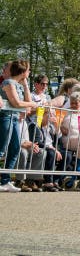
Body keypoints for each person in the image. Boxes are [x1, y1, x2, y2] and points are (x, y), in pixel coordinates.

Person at [0, 60, 37, 192]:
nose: (29, 72)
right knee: (1, 149)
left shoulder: (19, 85)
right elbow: (16, 103)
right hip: (5, 117)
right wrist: (32, 105)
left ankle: (5, 181)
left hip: (15, 118)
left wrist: (25, 84)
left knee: (15, 149)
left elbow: (28, 102)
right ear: (22, 71)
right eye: (28, 70)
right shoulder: (8, 83)